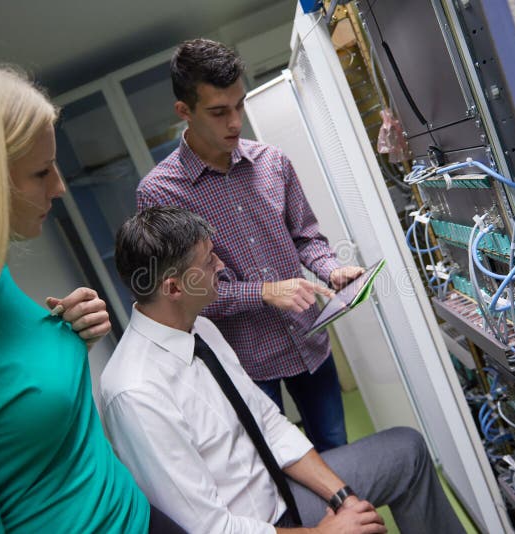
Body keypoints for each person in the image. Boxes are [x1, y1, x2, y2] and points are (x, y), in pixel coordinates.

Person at [0, 48, 184, 534]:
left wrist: (65, 335)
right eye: (41, 172)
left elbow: (6, 386)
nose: (61, 187)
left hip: (135, 510)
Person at [101, 205, 466, 534]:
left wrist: (342, 498)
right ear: (174, 287)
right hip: (253, 526)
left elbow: (267, 423)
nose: (222, 267)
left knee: (406, 451)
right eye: (210, 261)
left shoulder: (201, 329)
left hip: (280, 492)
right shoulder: (135, 392)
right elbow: (209, 530)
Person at [136, 38, 364, 452]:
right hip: (244, 362)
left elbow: (306, 238)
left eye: (239, 106)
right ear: (184, 112)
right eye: (219, 112)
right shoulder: (160, 195)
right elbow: (184, 295)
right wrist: (263, 292)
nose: (236, 123)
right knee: (276, 474)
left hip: (308, 341)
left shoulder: (273, 162)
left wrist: (331, 267)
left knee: (337, 448)